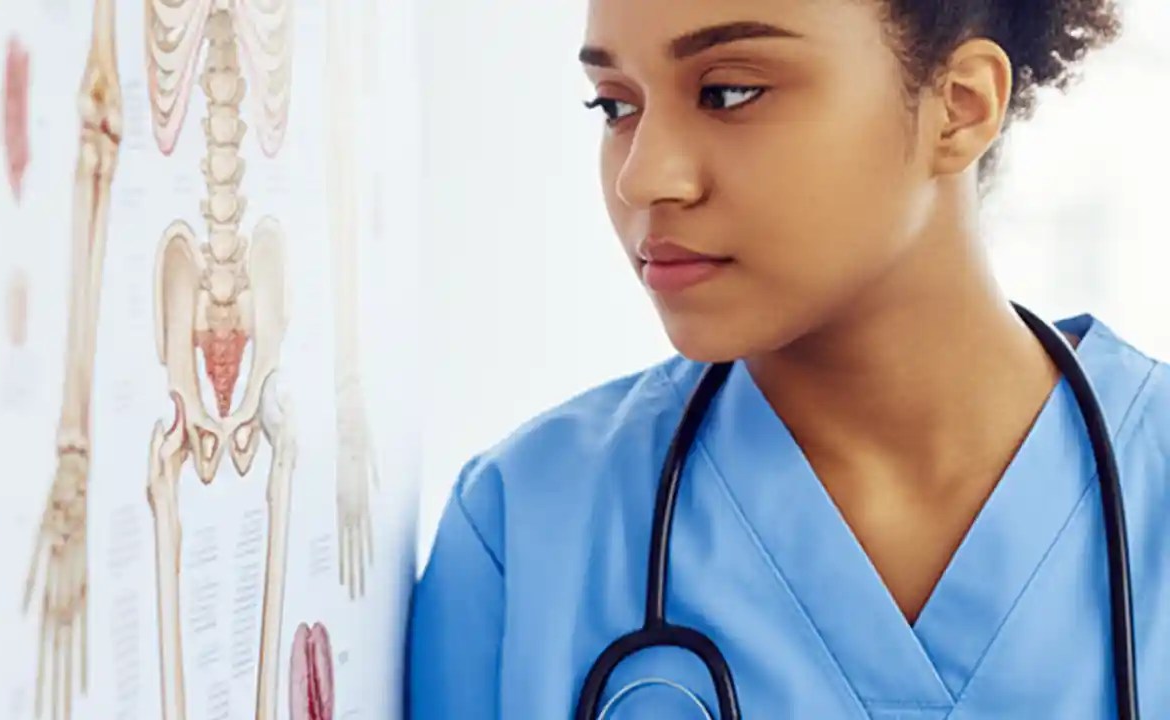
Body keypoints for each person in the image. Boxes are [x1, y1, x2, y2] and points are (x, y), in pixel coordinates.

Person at [407, 0, 1170, 717]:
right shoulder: (526, 527)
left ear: (959, 106)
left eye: (730, 92)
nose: (643, 177)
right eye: (615, 106)